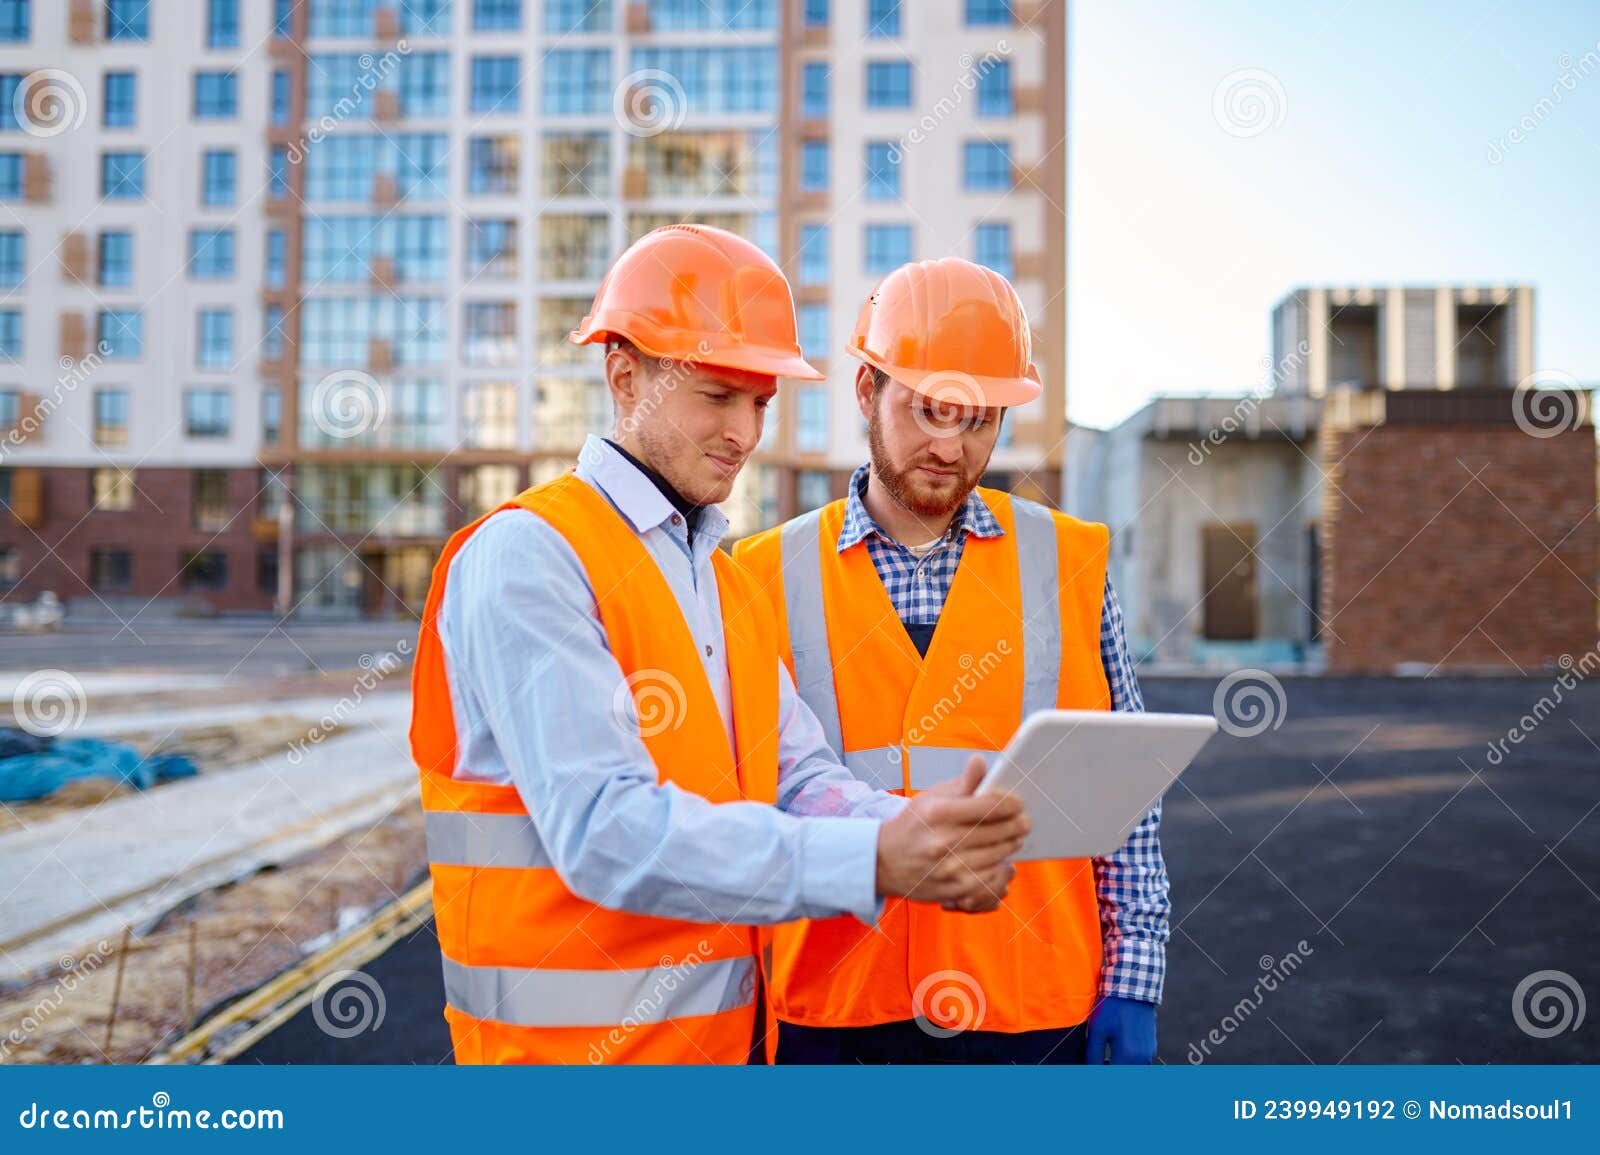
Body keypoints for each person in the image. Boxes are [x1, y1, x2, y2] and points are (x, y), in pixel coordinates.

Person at [409, 227, 1029, 1065]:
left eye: (762, 402)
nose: (744, 432)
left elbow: (799, 780)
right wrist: (878, 856)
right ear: (623, 373)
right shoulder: (530, 556)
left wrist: (921, 828)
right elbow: (604, 830)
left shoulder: (724, 583)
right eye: (716, 394)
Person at [735, 258, 1169, 1065]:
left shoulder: (1068, 560)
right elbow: (736, 804)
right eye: (929, 410)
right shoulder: (762, 574)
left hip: (1032, 1006)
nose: (949, 445)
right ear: (867, 390)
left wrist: (1134, 976)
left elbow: (1126, 796)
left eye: (979, 421)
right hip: (835, 1009)